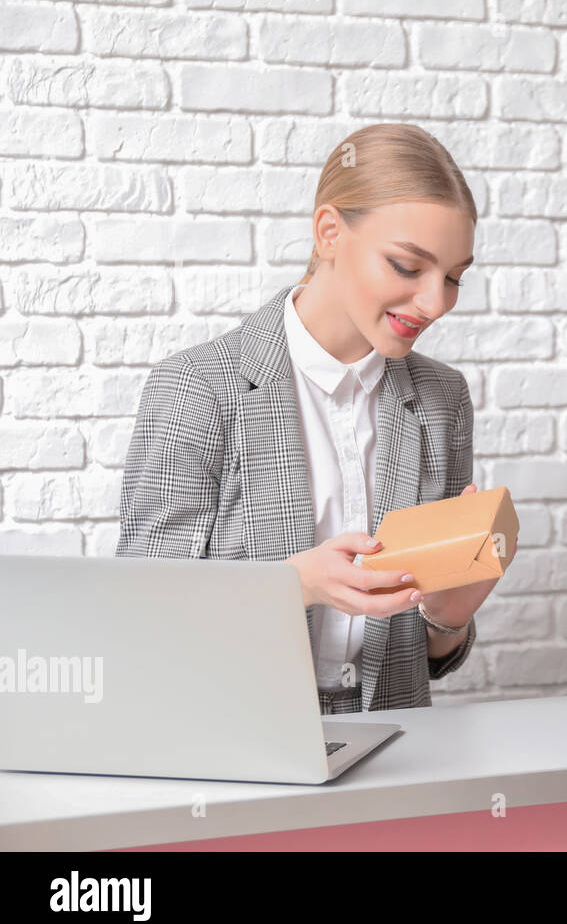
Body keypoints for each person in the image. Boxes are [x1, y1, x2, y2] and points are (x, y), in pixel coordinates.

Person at [116, 123, 514, 714]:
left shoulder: (442, 398)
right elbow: (138, 620)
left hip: (401, 745)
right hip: (238, 746)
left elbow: (431, 653)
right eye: (408, 266)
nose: (436, 302)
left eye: (454, 276)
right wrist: (293, 585)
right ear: (329, 232)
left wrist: (448, 618)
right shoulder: (196, 390)